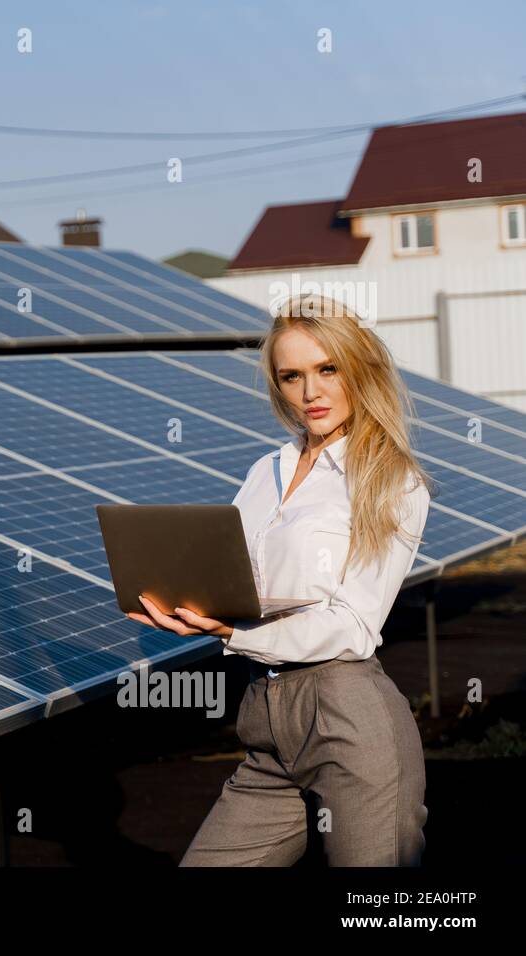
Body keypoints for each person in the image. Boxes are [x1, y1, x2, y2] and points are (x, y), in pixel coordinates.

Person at [127, 293, 434, 866]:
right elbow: (241, 582)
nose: (309, 392)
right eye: (291, 375)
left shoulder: (393, 480)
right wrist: (186, 601)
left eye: (327, 369)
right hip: (264, 718)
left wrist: (229, 633)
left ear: (359, 368)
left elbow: (353, 625)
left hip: (347, 715)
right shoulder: (263, 471)